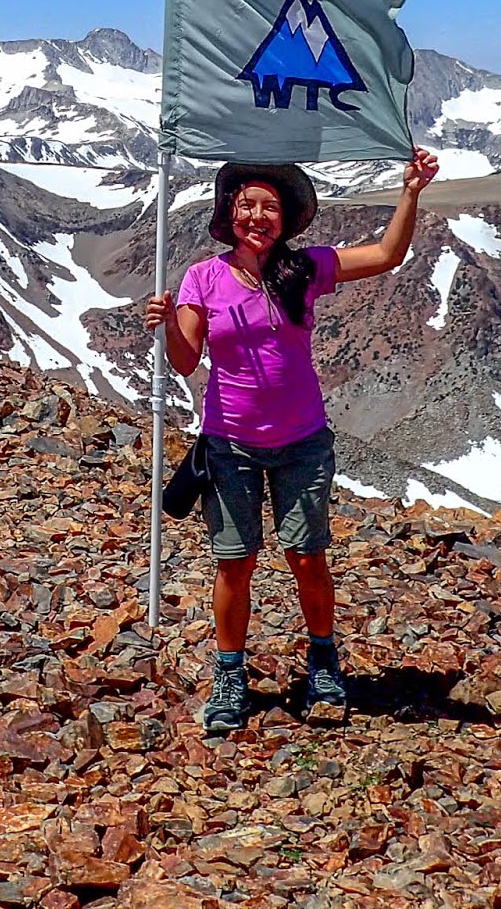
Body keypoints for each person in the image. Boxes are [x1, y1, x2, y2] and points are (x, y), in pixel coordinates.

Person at [144, 147, 440, 732]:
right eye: (246, 205)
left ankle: (324, 662)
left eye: (269, 207)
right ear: (229, 213)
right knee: (235, 562)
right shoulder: (202, 277)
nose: (257, 216)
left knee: (307, 556)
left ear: (287, 218)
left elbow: (386, 255)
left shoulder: (302, 269)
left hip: (302, 440)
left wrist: (410, 192)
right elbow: (185, 362)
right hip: (229, 442)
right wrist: (165, 323)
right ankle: (231, 675)